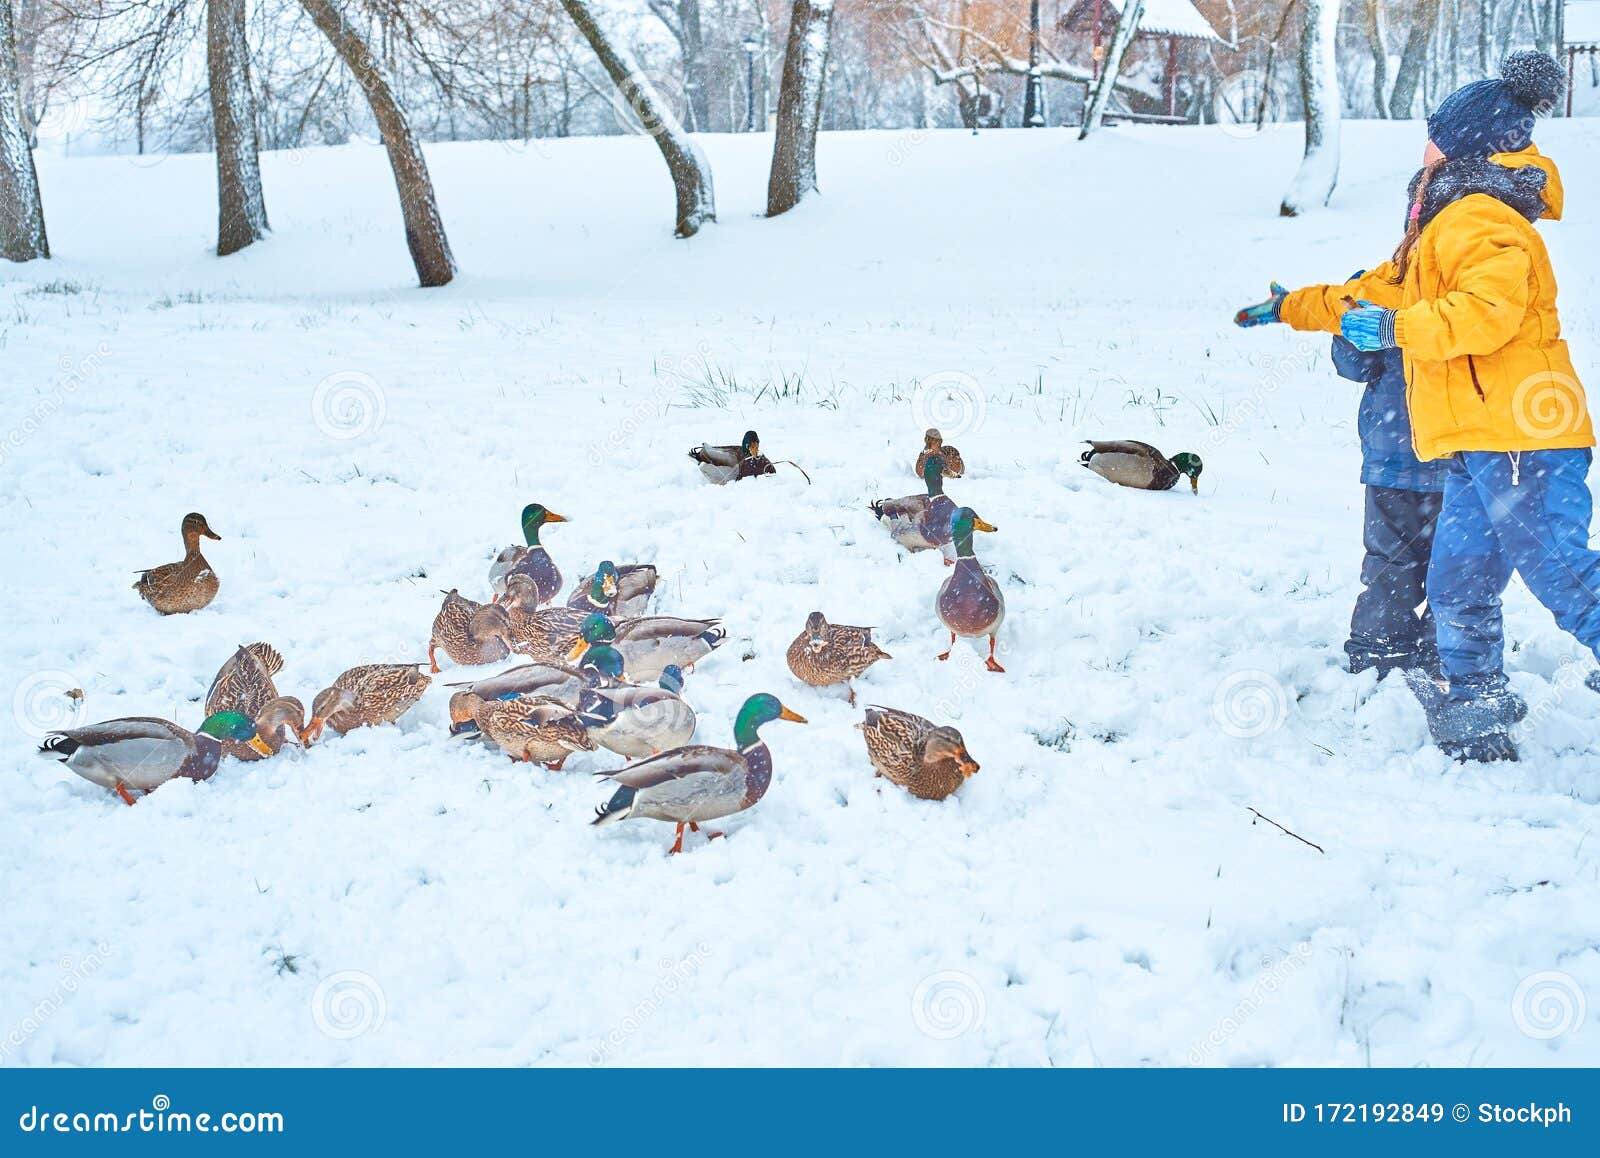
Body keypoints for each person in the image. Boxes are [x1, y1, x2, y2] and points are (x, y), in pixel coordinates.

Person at [1235, 51, 1596, 762]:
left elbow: (1485, 314)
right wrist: (1292, 308)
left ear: (1465, 145)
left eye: (1435, 135)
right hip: (1472, 443)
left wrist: (1399, 329)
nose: (1423, 147)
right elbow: (1367, 293)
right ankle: (1476, 699)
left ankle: (1480, 688)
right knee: (1458, 576)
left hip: (1522, 433)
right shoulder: (1438, 229)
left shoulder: (1483, 221)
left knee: (1559, 568)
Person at [1328, 289, 1447, 678]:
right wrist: (1350, 319)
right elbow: (1353, 364)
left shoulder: (1463, 287)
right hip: (1420, 456)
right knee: (1450, 563)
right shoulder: (1382, 288)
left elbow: (1354, 364)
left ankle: (1406, 651)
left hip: (1422, 454)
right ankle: (1418, 650)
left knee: (1416, 561)